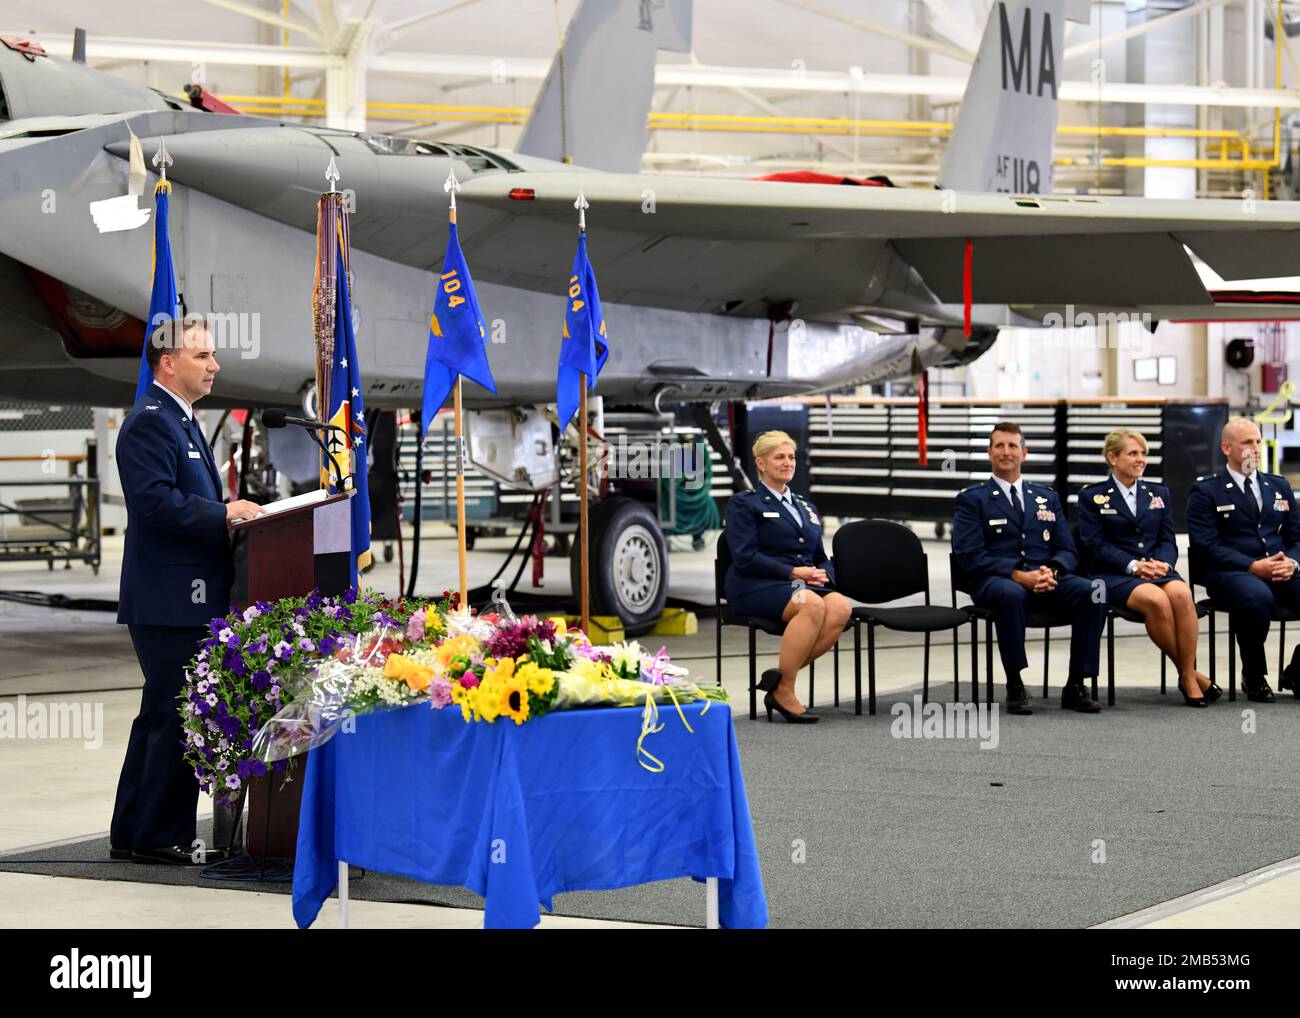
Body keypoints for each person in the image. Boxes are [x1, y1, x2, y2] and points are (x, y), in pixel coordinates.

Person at [110, 320, 264, 865]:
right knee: (177, 711)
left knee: (161, 711)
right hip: (169, 595)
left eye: (213, 354)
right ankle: (157, 835)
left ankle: (134, 829)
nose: (214, 364)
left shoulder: (180, 419)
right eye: (202, 355)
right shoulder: (151, 424)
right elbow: (153, 502)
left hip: (182, 592)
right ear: (168, 362)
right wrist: (223, 512)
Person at [952, 421, 1106, 715]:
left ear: (1025, 453)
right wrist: (1018, 574)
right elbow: (970, 555)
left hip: (1044, 579)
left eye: (1012, 446)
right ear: (989, 453)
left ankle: (1076, 684)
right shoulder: (972, 500)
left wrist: (1053, 571)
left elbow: (1067, 550)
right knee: (1012, 594)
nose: (1006, 452)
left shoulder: (1045, 497)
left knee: (1092, 592)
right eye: (999, 446)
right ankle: (1015, 683)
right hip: (995, 580)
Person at [1077, 429, 1217, 707]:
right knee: (1156, 600)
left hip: (1157, 568)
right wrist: (1133, 566)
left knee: (1181, 595)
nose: (1140, 459)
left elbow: (1168, 538)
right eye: (1133, 453)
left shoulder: (1158, 492)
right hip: (1114, 574)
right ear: (1112, 458)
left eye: (1143, 453)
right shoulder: (1092, 497)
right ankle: (1189, 676)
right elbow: (1095, 545)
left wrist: (1163, 564)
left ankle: (1187, 673)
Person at [724, 430, 852, 724]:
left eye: (791, 457)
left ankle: (779, 682)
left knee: (841, 607)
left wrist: (824, 575)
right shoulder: (746, 504)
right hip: (754, 583)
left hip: (797, 582)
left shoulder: (805, 506)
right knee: (811, 605)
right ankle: (786, 691)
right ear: (761, 463)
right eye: (779, 457)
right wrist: (792, 572)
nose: (787, 463)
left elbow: (819, 554)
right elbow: (744, 556)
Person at [1186, 417, 1300, 704]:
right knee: (1256, 596)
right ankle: (1253, 673)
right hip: (1231, 572)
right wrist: (1252, 566)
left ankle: (1297, 670)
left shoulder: (1278, 486)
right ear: (1227, 448)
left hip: (1278, 569)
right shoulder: (1206, 491)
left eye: (1258, 441)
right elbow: (1205, 546)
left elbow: (1297, 537)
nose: (1256, 448)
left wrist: (1293, 563)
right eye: (1247, 442)